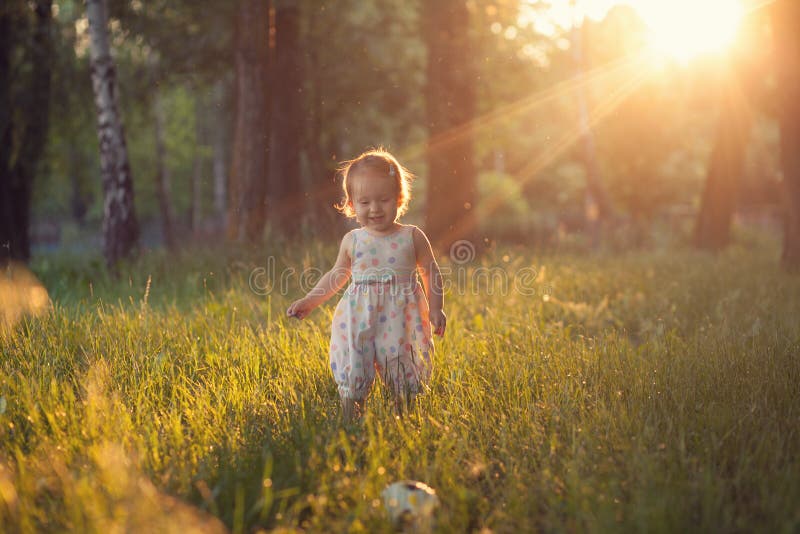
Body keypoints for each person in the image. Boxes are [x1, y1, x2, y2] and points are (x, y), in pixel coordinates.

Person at [286, 148, 446, 421]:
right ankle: (352, 416)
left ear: (399, 199)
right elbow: (337, 275)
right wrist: (309, 302)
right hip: (359, 317)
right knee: (356, 361)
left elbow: (431, 272)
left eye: (384, 199)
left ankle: (404, 416)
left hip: (401, 317)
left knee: (400, 362)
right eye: (364, 202)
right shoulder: (353, 240)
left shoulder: (412, 236)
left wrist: (435, 308)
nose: (374, 208)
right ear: (351, 205)